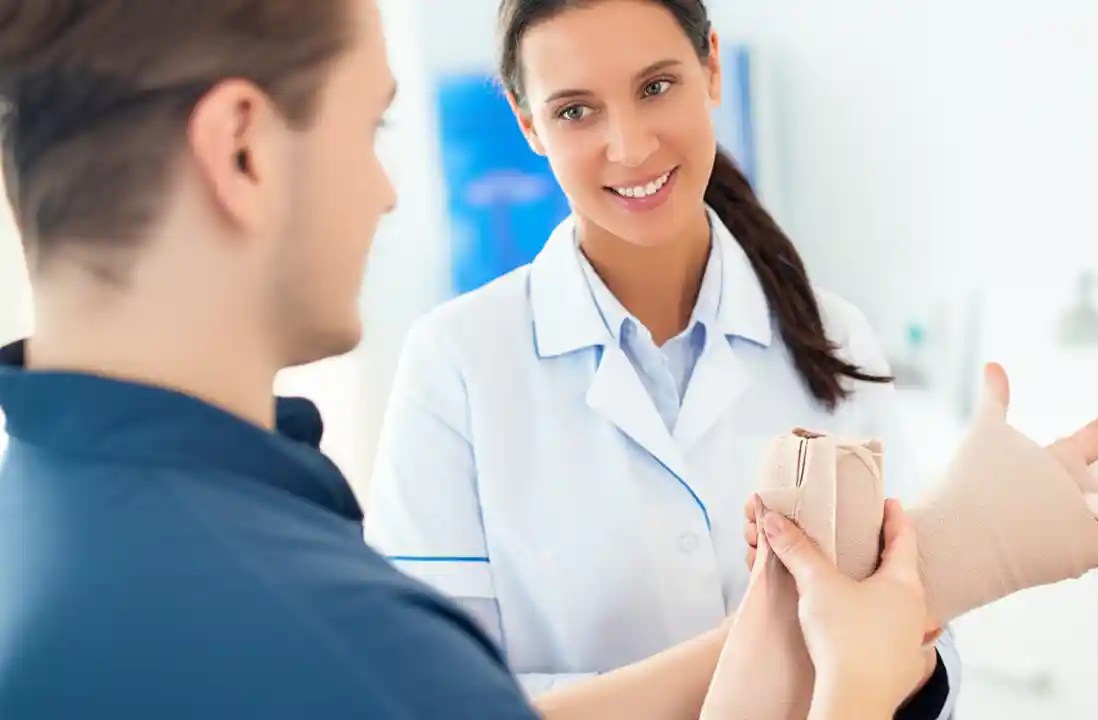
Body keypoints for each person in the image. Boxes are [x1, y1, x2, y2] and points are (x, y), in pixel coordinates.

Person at [0, 0, 944, 717]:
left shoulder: (75, 527)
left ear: (709, 71)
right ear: (242, 149)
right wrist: (828, 664)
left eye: (656, 86)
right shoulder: (329, 624)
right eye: (369, 129)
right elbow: (458, 690)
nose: (386, 195)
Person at [366, 0, 959, 713]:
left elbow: (926, 658)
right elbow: (431, 698)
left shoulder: (835, 338)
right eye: (576, 112)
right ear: (529, 126)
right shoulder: (455, 365)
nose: (630, 145)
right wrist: (776, 643)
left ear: (710, 67)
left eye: (655, 87)